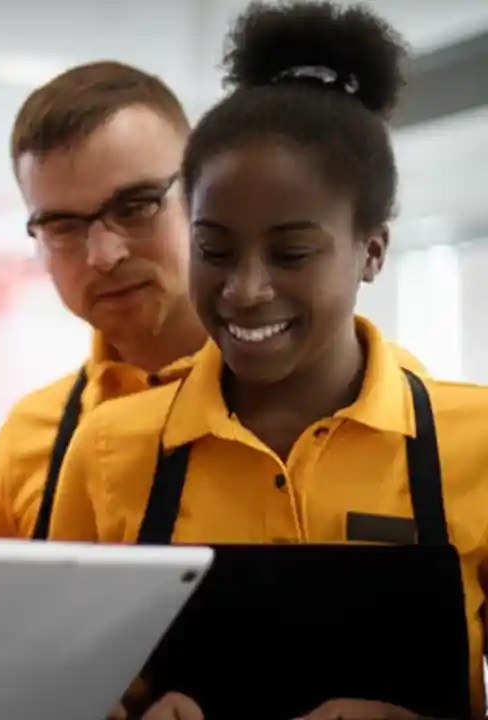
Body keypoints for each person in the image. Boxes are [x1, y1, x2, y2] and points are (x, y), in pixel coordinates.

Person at [49, 3, 488, 719]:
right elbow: (58, 694)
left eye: (291, 253)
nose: (245, 290)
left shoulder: (479, 443)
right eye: (214, 250)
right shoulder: (106, 452)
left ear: (372, 250)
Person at [0, 61, 208, 541]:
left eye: (136, 207)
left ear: (203, 192)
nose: (103, 254)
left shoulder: (306, 411)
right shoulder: (24, 445)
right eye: (63, 225)